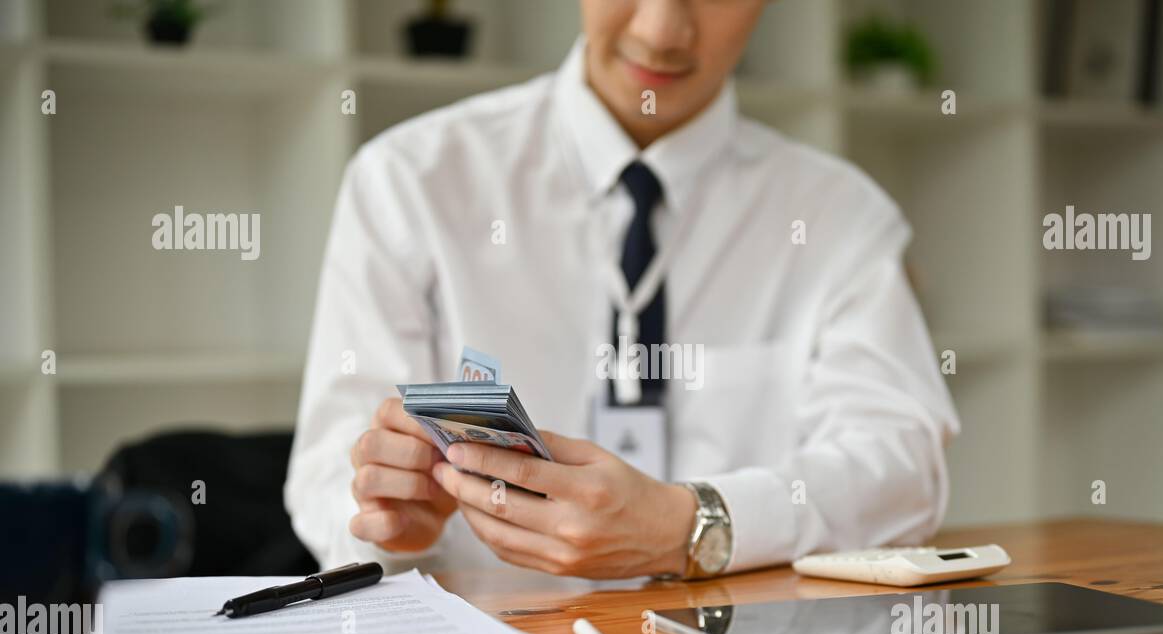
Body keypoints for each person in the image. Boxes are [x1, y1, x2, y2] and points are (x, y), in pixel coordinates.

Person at [285, 0, 959, 581]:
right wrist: (384, 522)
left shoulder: (840, 216)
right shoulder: (408, 181)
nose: (662, 30)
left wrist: (691, 525)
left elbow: (902, 470)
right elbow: (324, 475)